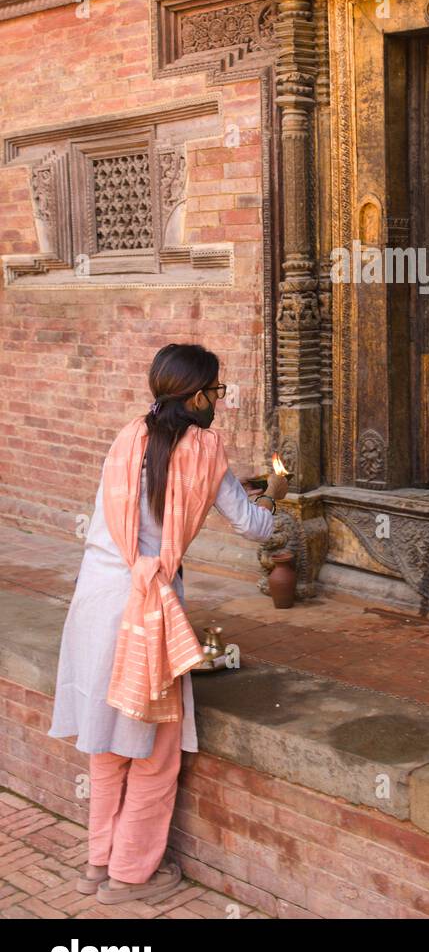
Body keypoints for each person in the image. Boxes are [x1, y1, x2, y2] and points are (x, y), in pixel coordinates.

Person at [47, 342, 289, 905]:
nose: (220, 402)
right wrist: (275, 497)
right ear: (199, 395)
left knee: (105, 745)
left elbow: (149, 501)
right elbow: (254, 527)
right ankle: (131, 876)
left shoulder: (128, 434)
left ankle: (97, 863)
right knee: (155, 748)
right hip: (147, 608)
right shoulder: (205, 448)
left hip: (95, 600)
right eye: (219, 392)